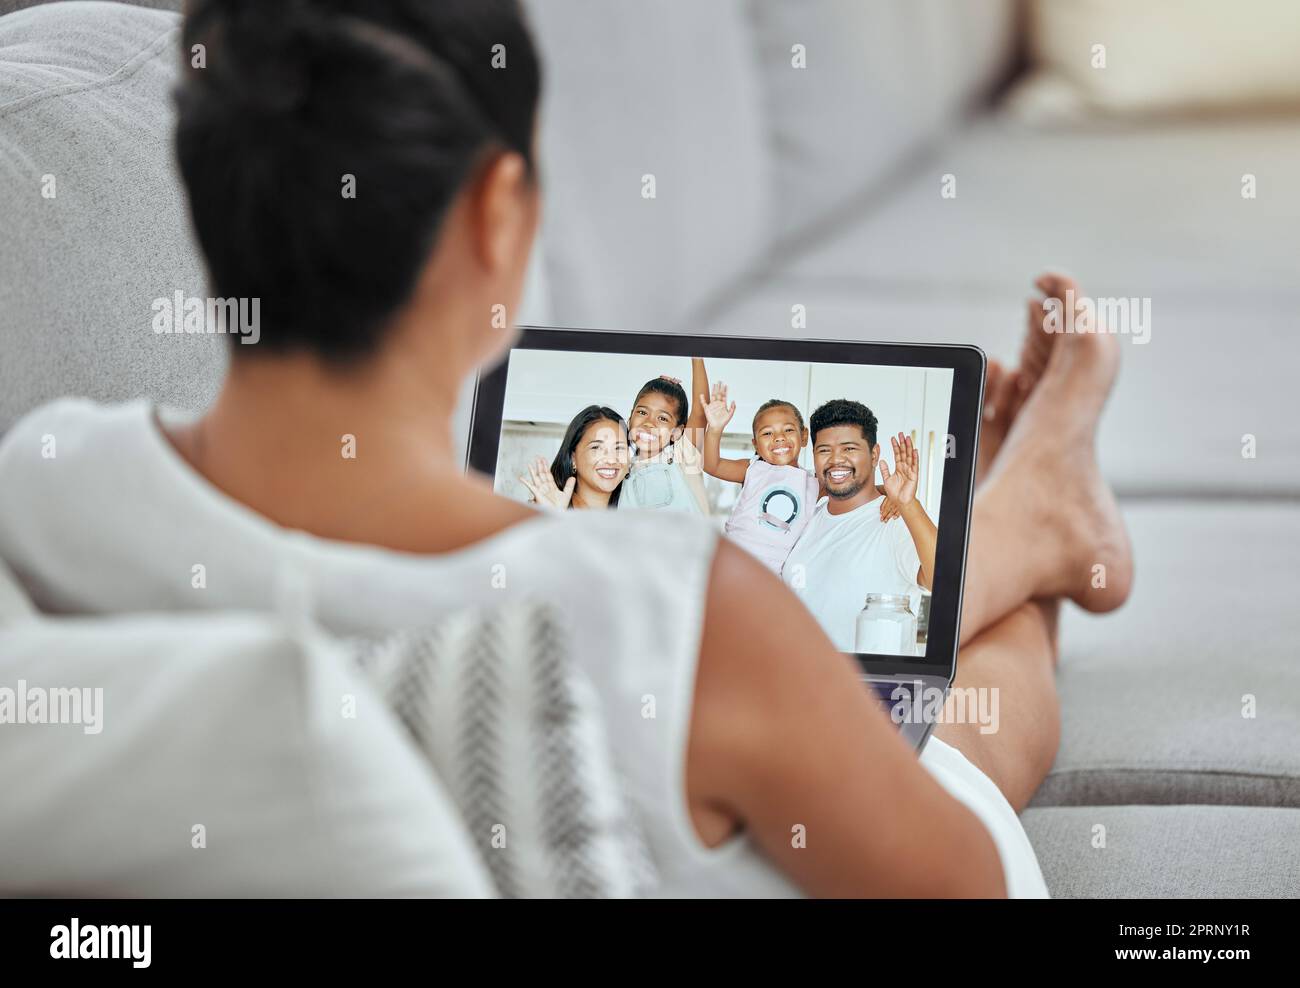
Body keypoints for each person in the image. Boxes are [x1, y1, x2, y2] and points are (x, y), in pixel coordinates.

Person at [0, 0, 1133, 897]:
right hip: (785, 785)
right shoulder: (665, 609)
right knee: (950, 735)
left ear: (208, 201)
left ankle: (1029, 510)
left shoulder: (48, 478)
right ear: (499, 212)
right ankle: (1037, 514)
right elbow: (968, 891)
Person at [782, 401, 936, 651]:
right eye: (824, 450)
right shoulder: (807, 516)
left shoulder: (895, 520)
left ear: (874, 454)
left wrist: (908, 504)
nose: (836, 460)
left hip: (871, 687)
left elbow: (944, 579)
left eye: (849, 448)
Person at [699, 380, 820, 575]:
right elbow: (711, 465)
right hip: (732, 562)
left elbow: (856, 491)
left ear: (804, 436)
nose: (779, 438)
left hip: (772, 577)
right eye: (767, 433)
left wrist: (886, 495)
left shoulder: (814, 483)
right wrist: (715, 429)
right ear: (755, 444)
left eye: (788, 430)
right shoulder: (753, 469)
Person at [617, 374, 710, 514]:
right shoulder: (621, 470)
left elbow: (700, 410)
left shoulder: (682, 455)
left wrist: (696, 355)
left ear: (676, 432)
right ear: (630, 419)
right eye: (642, 412)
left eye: (662, 418)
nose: (649, 423)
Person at [518, 404, 629, 509]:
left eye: (619, 448)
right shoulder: (548, 509)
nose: (611, 460)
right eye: (596, 447)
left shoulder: (635, 515)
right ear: (573, 458)